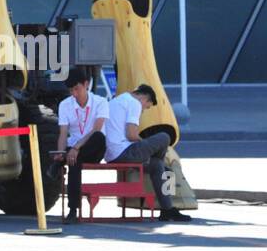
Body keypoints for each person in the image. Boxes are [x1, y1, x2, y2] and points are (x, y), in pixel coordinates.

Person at [103, 83, 192, 222]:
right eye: (146, 107)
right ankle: (167, 204)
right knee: (164, 137)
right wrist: (146, 144)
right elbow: (131, 134)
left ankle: (167, 210)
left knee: (158, 167)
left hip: (111, 155)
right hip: (124, 152)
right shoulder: (134, 103)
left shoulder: (115, 101)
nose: (143, 110)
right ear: (144, 98)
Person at [53, 67, 108, 223]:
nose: (74, 94)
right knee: (74, 162)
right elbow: (63, 133)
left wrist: (76, 148)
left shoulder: (101, 102)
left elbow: (97, 129)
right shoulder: (65, 104)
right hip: (73, 152)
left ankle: (62, 161)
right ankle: (73, 210)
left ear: (86, 84)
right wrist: (60, 151)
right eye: (71, 90)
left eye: (77, 89)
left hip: (93, 148)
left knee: (98, 137)